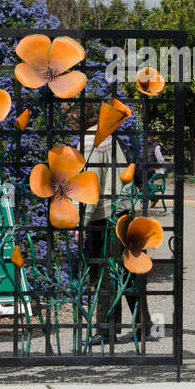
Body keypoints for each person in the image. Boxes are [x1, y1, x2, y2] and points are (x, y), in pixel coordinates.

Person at [83, 115, 152, 340]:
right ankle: (143, 324)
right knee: (128, 268)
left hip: (106, 214)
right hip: (124, 210)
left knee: (106, 272)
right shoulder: (111, 137)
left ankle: (106, 330)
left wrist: (82, 222)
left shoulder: (92, 139)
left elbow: (90, 183)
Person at [145, 133, 167, 211]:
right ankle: (153, 199)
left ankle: (147, 200)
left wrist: (161, 173)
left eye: (148, 136)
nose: (147, 138)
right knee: (140, 182)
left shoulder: (156, 146)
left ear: (152, 137)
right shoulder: (142, 146)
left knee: (146, 183)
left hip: (152, 170)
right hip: (143, 170)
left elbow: (161, 160)